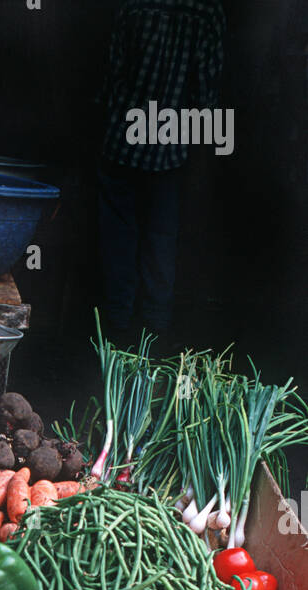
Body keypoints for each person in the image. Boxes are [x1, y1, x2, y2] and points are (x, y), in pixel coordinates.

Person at [96, 0, 226, 342]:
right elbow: (207, 89)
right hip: (171, 146)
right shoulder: (207, 9)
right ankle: (155, 332)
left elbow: (112, 70)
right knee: (161, 241)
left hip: (122, 137)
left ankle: (117, 327)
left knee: (119, 239)